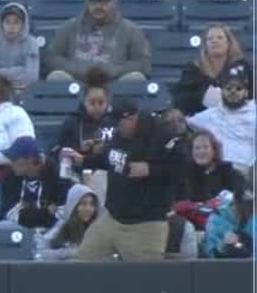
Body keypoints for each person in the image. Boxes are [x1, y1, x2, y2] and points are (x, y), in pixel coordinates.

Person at [76, 102, 181, 261]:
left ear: (132, 119)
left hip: (146, 225)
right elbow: (111, 160)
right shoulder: (119, 136)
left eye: (119, 123)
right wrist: (84, 160)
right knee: (84, 260)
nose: (117, 128)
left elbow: (184, 166)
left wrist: (151, 169)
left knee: (145, 279)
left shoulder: (161, 136)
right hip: (112, 218)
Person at [42, 0, 151, 83]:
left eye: (104, 2)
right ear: (86, 4)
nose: (98, 6)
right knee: (56, 77)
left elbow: (143, 63)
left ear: (114, 3)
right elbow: (52, 58)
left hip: (114, 83)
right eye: (93, 2)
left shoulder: (131, 30)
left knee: (136, 78)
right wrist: (78, 70)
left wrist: (113, 71)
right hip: (77, 83)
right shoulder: (69, 27)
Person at [188, 63, 256, 170]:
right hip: (218, 172)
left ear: (246, 93)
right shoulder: (208, 116)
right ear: (221, 91)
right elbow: (184, 122)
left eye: (238, 89)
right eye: (228, 88)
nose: (233, 92)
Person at [173, 23, 248, 117]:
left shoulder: (242, 67)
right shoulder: (193, 68)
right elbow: (181, 100)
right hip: (201, 119)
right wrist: (203, 97)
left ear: (229, 43)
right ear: (205, 44)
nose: (214, 41)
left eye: (219, 38)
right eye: (210, 39)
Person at [51, 67, 114, 170]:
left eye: (101, 103)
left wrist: (104, 149)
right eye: (92, 103)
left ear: (107, 102)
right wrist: (80, 149)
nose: (96, 107)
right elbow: (59, 152)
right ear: (84, 101)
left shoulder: (115, 122)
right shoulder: (71, 123)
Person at [0, 2, 39, 93]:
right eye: (7, 22)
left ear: (23, 25)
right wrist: (20, 70)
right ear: (1, 24)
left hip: (24, 89)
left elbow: (32, 75)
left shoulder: (31, 43)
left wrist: (0, 73)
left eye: (16, 22)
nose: (11, 27)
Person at [37, 183, 99, 262]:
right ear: (73, 205)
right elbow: (42, 253)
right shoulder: (61, 226)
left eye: (92, 204)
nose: (88, 209)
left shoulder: (98, 230)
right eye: (83, 204)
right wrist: (72, 253)